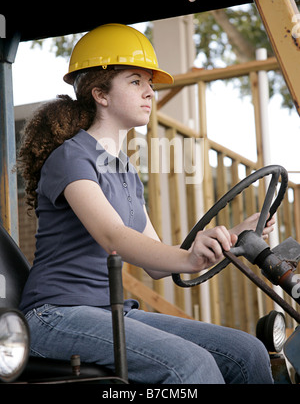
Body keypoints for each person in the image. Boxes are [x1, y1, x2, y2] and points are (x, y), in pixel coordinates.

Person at [18, 23, 275, 384]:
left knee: (247, 352)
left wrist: (232, 236)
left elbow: (157, 262)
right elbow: (113, 237)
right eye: (136, 81)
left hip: (111, 312)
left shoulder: (125, 170)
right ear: (101, 95)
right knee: (192, 365)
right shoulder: (71, 158)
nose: (150, 92)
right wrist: (187, 257)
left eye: (150, 83)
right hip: (54, 316)